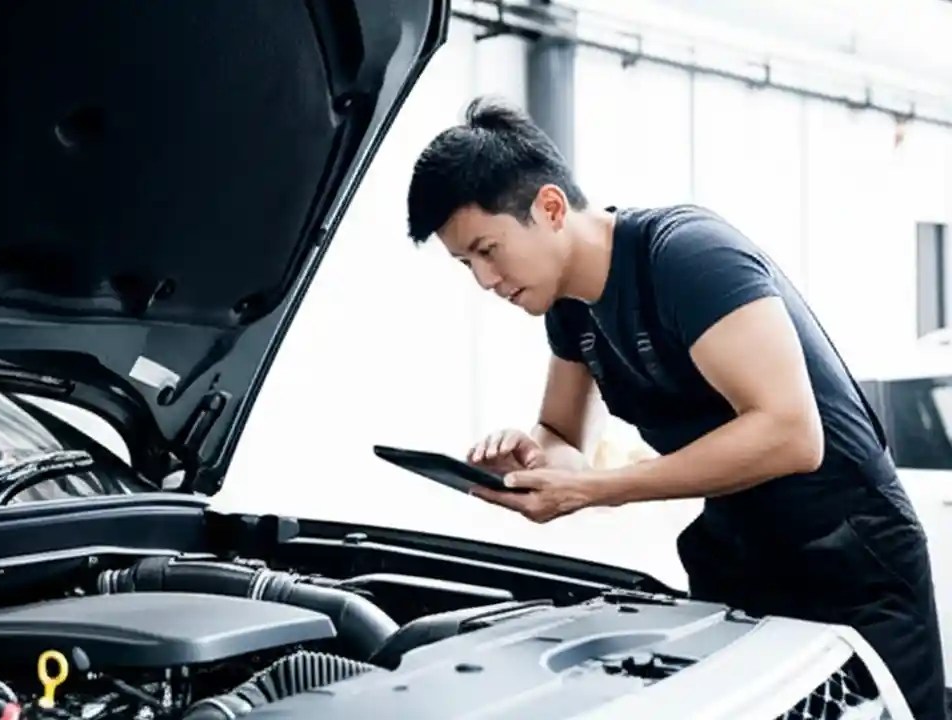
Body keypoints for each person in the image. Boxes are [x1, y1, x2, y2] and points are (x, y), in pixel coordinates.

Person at [406, 96, 947, 719]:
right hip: (740, 557)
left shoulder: (686, 254)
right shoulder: (567, 306)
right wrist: (537, 461)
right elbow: (560, 432)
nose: (484, 280)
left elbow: (793, 435)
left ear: (550, 208)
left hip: (851, 558)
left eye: (488, 249)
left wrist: (599, 491)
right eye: (465, 263)